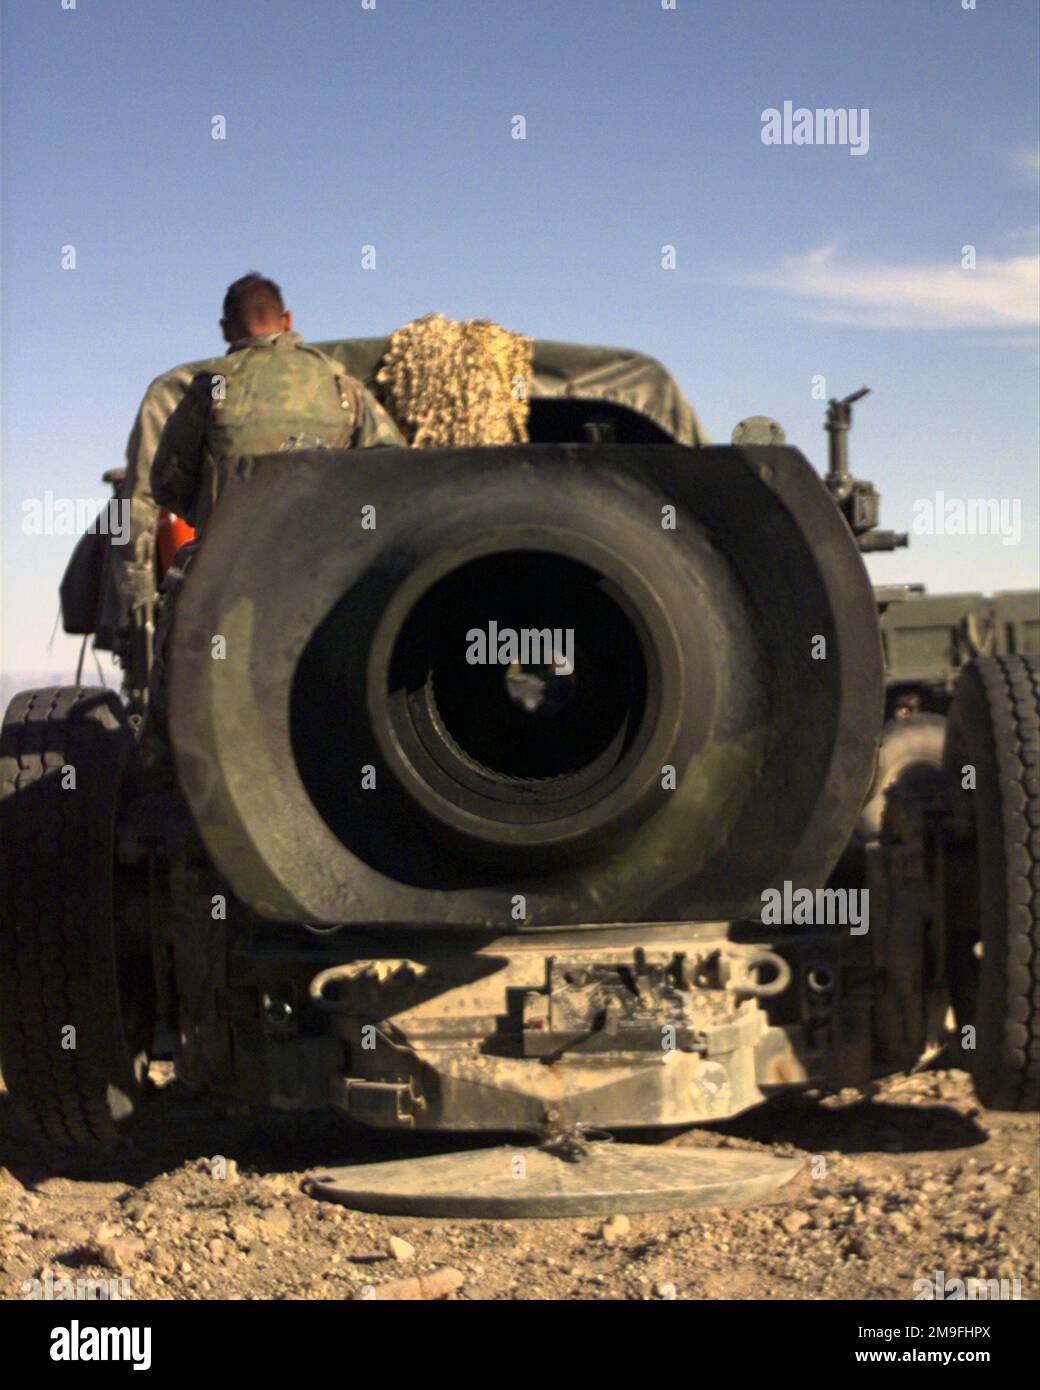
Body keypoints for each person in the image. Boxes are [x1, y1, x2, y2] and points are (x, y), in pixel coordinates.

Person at [151, 272, 403, 532]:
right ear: (287, 320)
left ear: (226, 329)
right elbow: (393, 467)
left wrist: (213, 520)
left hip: (230, 560)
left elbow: (167, 483)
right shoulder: (341, 383)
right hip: (328, 560)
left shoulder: (213, 387)